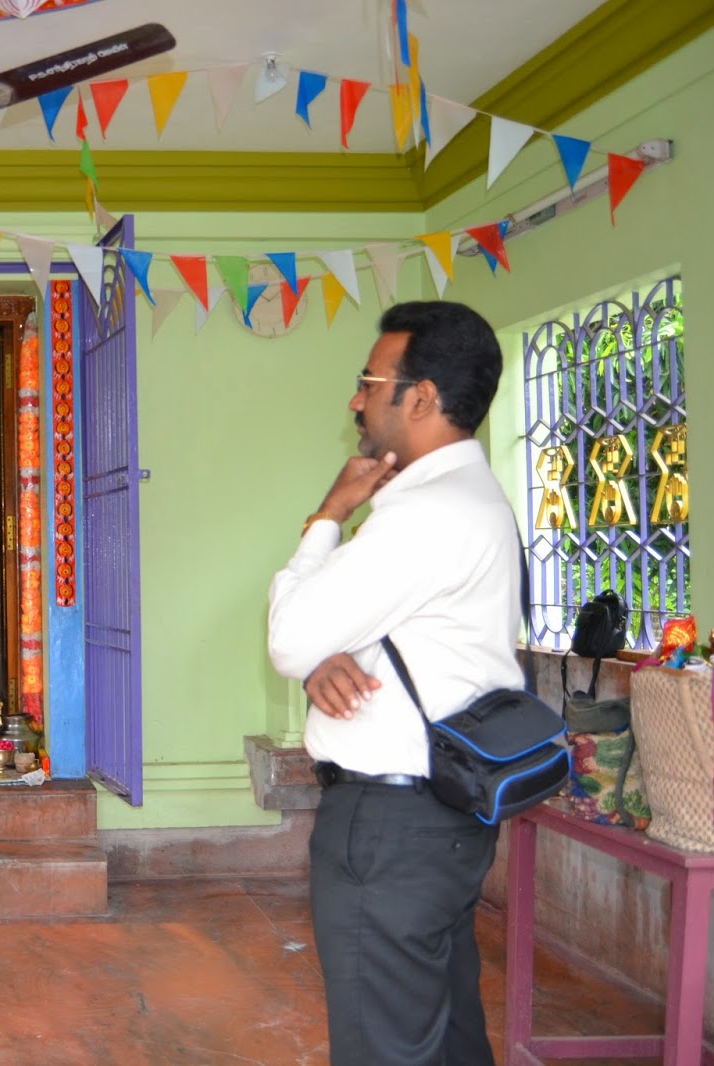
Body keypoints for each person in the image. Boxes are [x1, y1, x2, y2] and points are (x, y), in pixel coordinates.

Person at [267, 302, 522, 1065]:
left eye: (368, 381)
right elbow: (367, 637)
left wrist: (328, 514)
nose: (356, 399)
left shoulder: (425, 514)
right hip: (439, 812)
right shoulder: (469, 500)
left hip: (389, 824)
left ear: (421, 397)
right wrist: (325, 658)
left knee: (383, 1041)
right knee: (443, 1031)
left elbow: (287, 637)